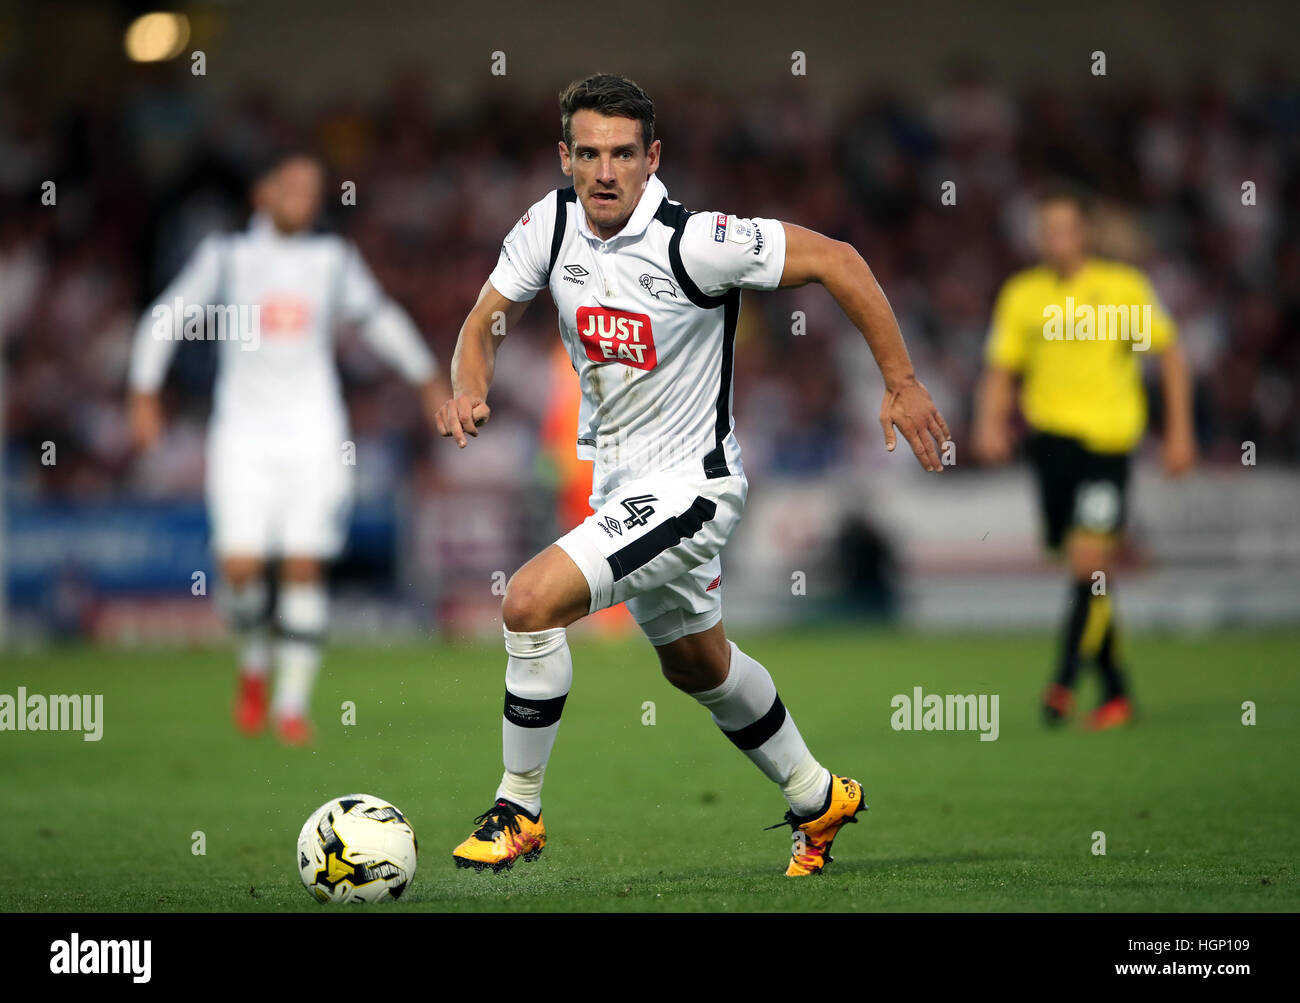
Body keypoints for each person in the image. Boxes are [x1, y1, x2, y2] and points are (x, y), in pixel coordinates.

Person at [437, 74, 949, 876]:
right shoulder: (549, 224)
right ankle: (819, 797)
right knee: (696, 665)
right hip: (621, 489)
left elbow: (838, 260)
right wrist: (470, 383)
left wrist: (901, 378)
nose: (606, 172)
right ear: (565, 156)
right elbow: (485, 319)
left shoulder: (698, 240)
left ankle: (518, 808)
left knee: (530, 601)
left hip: (690, 490)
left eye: (624, 154)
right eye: (590, 153)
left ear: (652, 159)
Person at [128, 152, 445, 745]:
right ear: (261, 194)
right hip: (242, 436)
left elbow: (378, 318)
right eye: (292, 187)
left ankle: (291, 706)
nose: (304, 198)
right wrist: (144, 391)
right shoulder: (226, 257)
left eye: (312, 189)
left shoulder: (332, 260)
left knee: (303, 564)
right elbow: (166, 318)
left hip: (315, 434)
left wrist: (427, 376)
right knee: (240, 569)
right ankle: (253, 660)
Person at [973, 182, 1195, 730]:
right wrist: (989, 422)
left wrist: (1179, 432)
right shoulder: (1022, 294)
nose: (1053, 239)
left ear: (1087, 233)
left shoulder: (1123, 288)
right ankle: (1117, 691)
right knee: (1080, 567)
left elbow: (1168, 355)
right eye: (1045, 230)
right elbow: (1002, 367)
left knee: (1087, 565)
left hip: (1107, 446)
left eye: (1063, 228)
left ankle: (1063, 683)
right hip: (1049, 448)